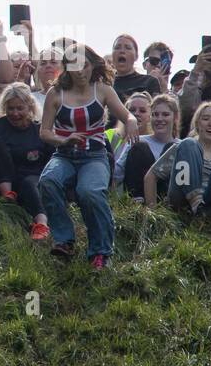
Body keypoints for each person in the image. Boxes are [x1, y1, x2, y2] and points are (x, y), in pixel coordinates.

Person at [38, 44, 138, 267]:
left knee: (89, 191)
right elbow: (44, 132)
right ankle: (64, 240)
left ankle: (101, 251)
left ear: (93, 65)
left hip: (94, 155)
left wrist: (131, 122)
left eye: (85, 65)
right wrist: (63, 140)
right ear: (66, 68)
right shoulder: (55, 93)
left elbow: (127, 114)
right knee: (48, 181)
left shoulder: (102, 90)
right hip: (64, 154)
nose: (81, 72)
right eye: (75, 66)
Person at [0, 82, 52, 240]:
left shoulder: (40, 131)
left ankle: (41, 224)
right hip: (0, 182)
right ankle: (8, 195)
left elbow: (53, 163)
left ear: (30, 107)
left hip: (32, 180)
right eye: (10, 109)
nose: (15, 113)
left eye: (20, 108)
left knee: (29, 183)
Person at [144, 101, 211, 221]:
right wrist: (153, 214)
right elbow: (150, 177)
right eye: (206, 119)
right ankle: (196, 204)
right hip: (181, 201)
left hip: (210, 205)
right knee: (189, 143)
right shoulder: (184, 148)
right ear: (197, 124)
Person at [117, 93, 179, 200]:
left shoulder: (181, 145)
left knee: (172, 147)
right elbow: (117, 173)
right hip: (141, 196)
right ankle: (138, 202)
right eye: (155, 114)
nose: (159, 119)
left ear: (175, 117)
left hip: (167, 198)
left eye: (165, 114)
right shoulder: (138, 140)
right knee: (140, 147)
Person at [108, 34, 162, 103]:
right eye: (117, 47)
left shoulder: (149, 81)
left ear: (136, 56)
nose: (122, 51)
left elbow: (157, 110)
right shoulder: (105, 84)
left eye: (128, 48)